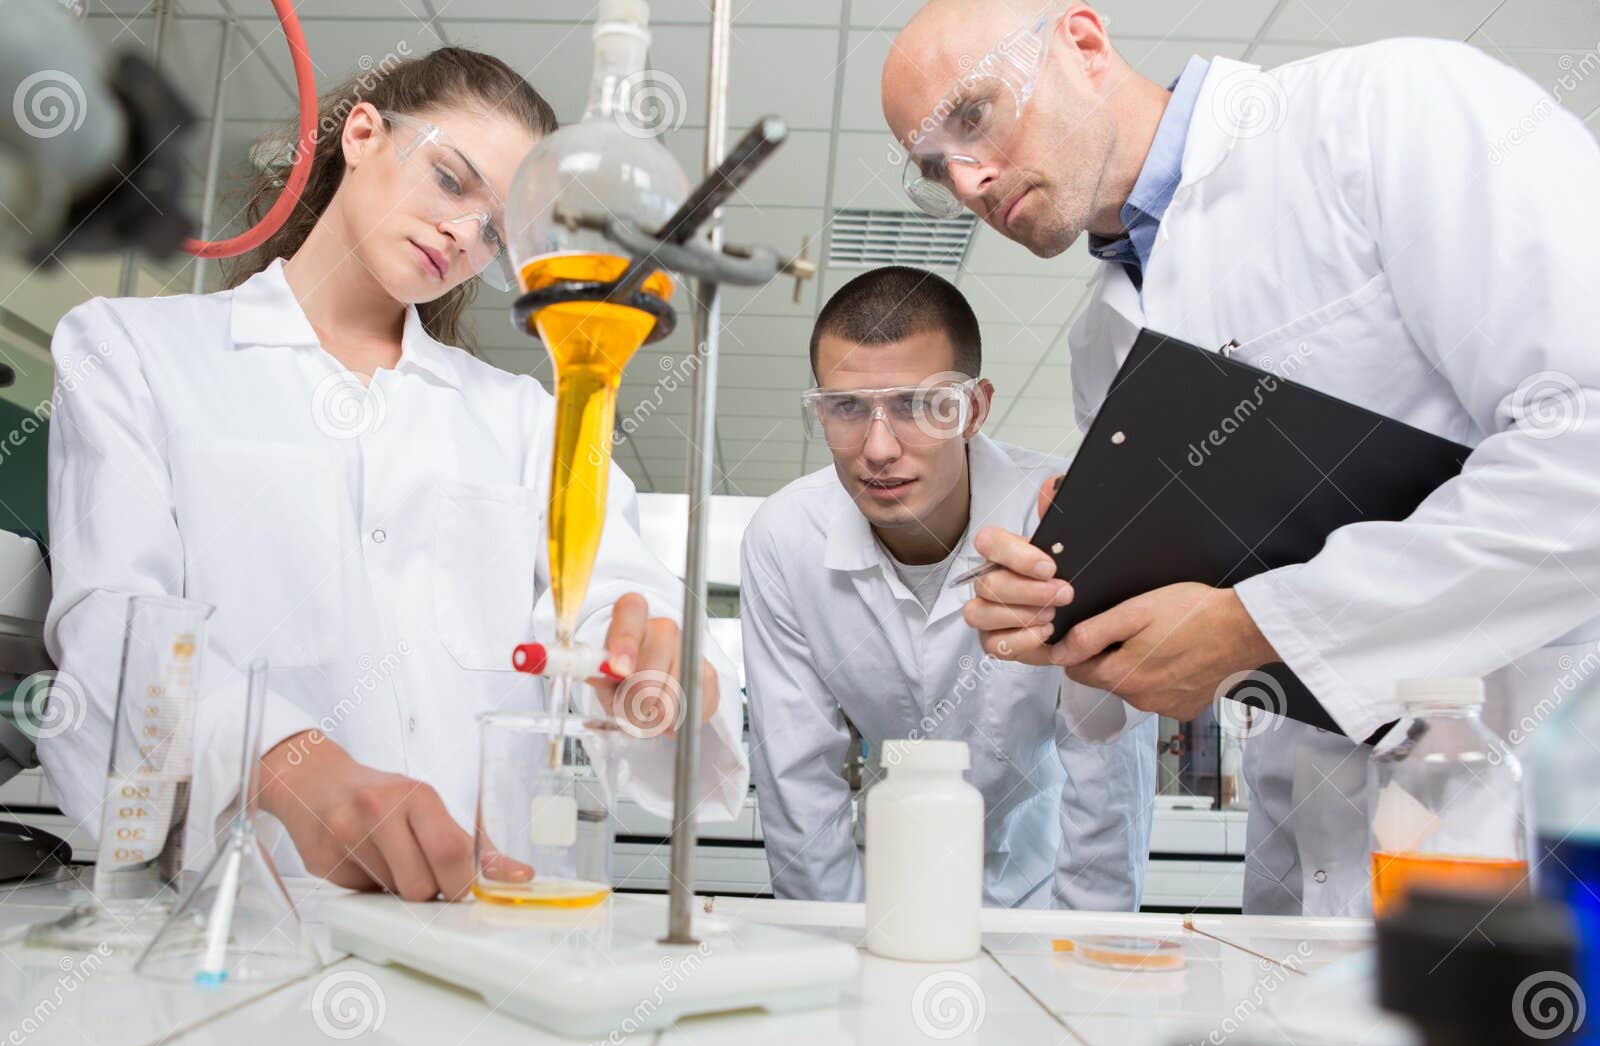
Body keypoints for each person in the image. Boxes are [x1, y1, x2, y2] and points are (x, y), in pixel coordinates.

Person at [882, 2, 1600, 915]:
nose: (970, 179)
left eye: (975, 116)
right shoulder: (1102, 344)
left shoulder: (1390, 112)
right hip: (1309, 853)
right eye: (935, 167)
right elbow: (1183, 646)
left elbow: (1586, 443)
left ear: (1084, 42)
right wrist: (1067, 612)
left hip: (1540, 814)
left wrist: (1260, 625)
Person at [41, 48, 746, 902]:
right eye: (452, 180)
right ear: (365, 134)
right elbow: (112, 628)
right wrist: (290, 763)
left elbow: (614, 590)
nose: (464, 234)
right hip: (244, 921)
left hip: (485, 924)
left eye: (496, 231)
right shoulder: (135, 354)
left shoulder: (524, 417)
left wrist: (661, 654)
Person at [741, 265, 1155, 909]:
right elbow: (796, 778)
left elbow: (1107, 768)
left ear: (973, 409)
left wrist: (1087, 948)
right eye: (846, 408)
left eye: (916, 405)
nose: (878, 449)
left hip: (1041, 890)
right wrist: (830, 946)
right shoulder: (784, 537)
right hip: (879, 887)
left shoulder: (1062, 517)